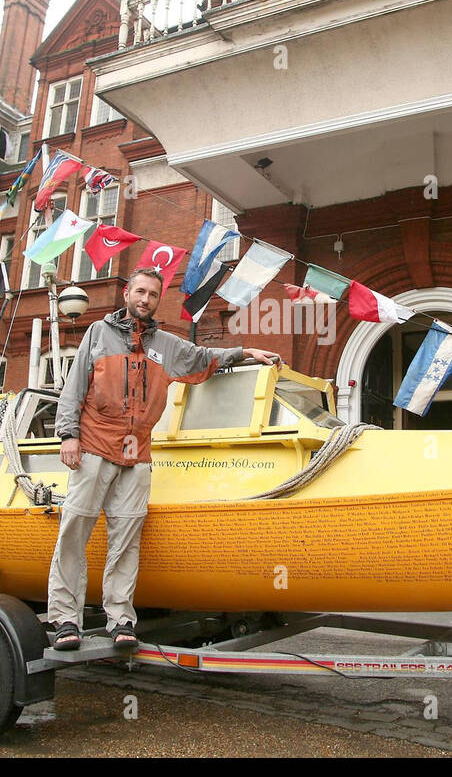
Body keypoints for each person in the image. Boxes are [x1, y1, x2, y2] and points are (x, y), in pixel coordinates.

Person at [47, 267, 280, 650]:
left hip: (137, 453)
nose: (145, 300)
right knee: (75, 532)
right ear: (127, 294)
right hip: (92, 444)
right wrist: (68, 435)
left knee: (127, 538)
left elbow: (203, 356)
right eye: (139, 292)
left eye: (152, 295)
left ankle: (120, 618)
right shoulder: (97, 334)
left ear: (158, 300)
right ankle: (64, 620)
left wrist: (246, 352)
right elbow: (74, 388)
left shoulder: (167, 345)